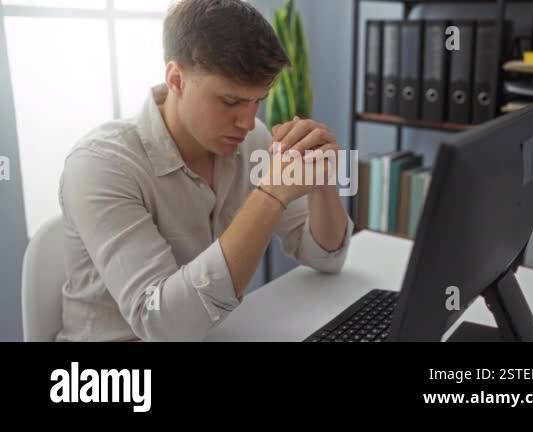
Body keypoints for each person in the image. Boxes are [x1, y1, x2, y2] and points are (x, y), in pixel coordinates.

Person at [56, 0, 353, 341]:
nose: (247, 121)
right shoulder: (100, 164)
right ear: (175, 78)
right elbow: (162, 325)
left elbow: (326, 258)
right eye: (230, 101)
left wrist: (321, 180)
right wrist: (271, 195)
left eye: (258, 100)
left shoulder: (251, 139)